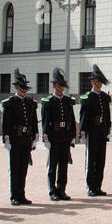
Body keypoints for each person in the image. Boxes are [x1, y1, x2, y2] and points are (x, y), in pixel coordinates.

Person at [2, 69, 38, 205]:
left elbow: (33, 120)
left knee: (23, 168)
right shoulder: (10, 103)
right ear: (16, 87)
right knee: (15, 168)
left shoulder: (29, 102)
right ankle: (14, 195)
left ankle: (21, 194)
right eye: (21, 87)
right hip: (15, 139)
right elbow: (6, 123)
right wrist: (6, 139)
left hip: (26, 138)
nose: (23, 90)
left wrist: (35, 136)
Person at [42, 68, 77, 201]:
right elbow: (45, 121)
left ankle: (61, 189)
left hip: (65, 137)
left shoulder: (67, 101)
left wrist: (73, 135)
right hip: (54, 137)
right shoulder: (49, 102)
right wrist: (45, 137)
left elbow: (71, 119)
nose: (61, 88)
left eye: (62, 85)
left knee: (63, 165)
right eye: (59, 85)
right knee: (52, 166)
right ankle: (52, 190)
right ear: (54, 86)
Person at [77, 63, 111, 196]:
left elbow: (107, 114)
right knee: (91, 160)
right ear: (92, 82)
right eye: (96, 81)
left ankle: (98, 185)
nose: (99, 84)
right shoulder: (88, 97)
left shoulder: (103, 97)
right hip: (92, 130)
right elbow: (84, 116)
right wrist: (83, 132)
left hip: (102, 131)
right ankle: (91, 186)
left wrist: (108, 129)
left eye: (100, 82)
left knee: (101, 160)